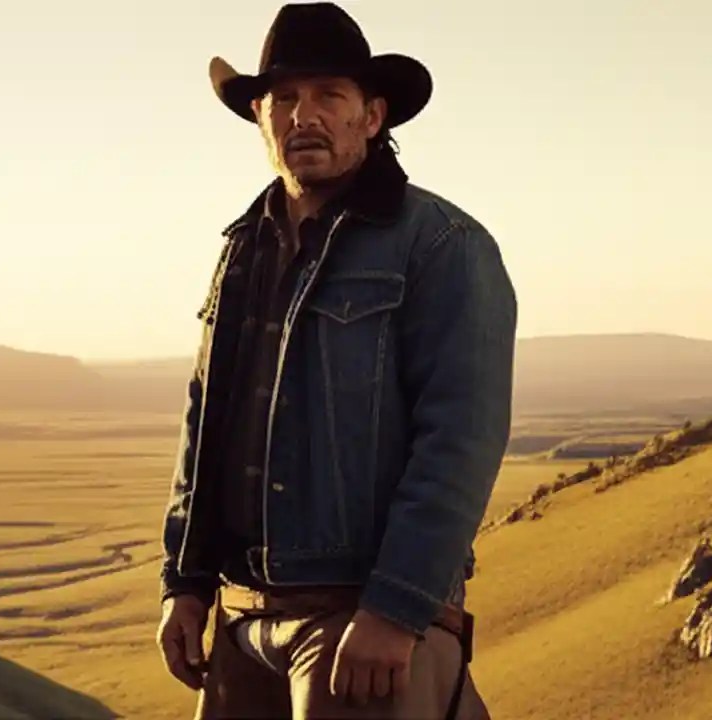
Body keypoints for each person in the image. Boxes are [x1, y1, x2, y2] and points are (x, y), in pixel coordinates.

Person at [155, 3, 516, 718]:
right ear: (260, 117)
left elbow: (461, 442)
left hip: (360, 619)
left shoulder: (440, 244)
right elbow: (206, 424)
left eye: (329, 96)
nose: (303, 116)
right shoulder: (241, 250)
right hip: (246, 618)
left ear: (373, 116)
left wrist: (396, 608)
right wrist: (184, 583)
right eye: (283, 99)